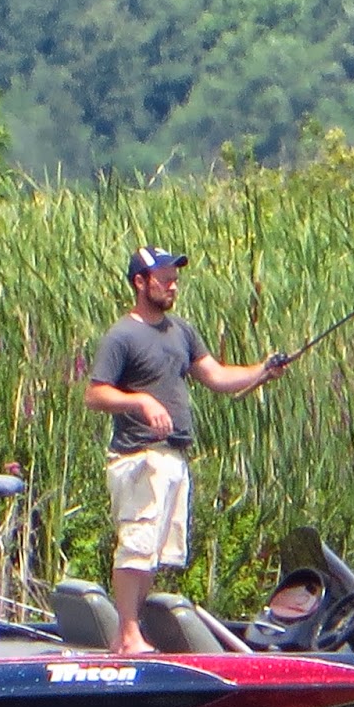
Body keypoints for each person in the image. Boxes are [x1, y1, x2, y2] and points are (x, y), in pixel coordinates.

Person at [84, 245, 286, 654]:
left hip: (173, 456)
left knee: (155, 554)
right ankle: (127, 636)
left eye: (175, 277)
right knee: (137, 544)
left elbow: (216, 376)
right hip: (139, 456)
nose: (172, 284)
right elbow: (95, 394)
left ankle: (134, 632)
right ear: (140, 282)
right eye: (163, 278)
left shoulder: (181, 331)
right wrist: (140, 401)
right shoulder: (122, 335)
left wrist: (263, 371)